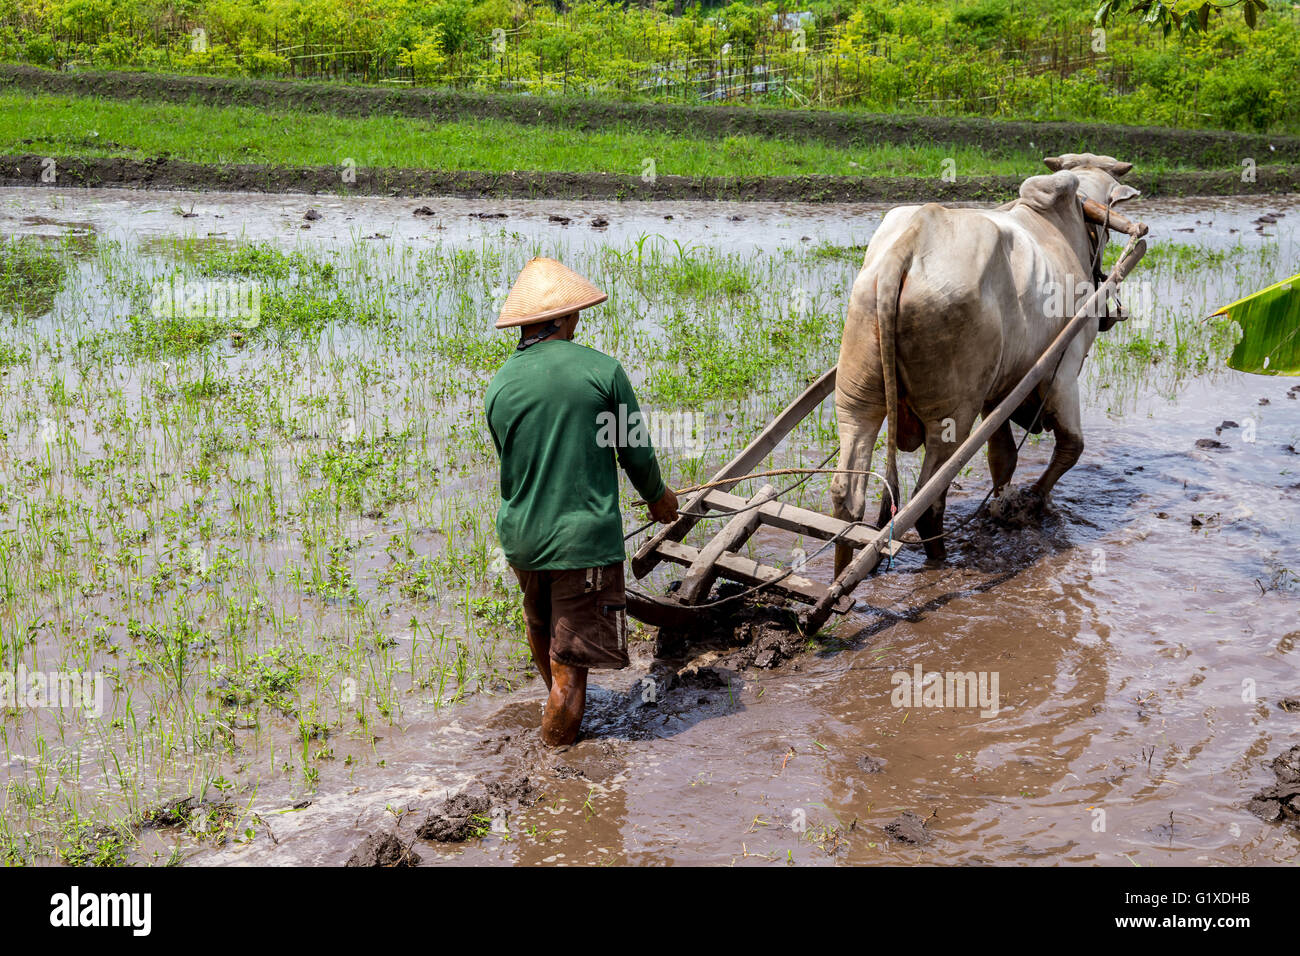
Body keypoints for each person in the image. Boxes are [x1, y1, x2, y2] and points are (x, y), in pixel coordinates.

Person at [485, 257, 679, 746]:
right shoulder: (602, 372)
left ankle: (558, 722)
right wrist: (659, 500)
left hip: (522, 543)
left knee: (550, 648)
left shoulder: (500, 385)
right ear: (567, 318)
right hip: (581, 546)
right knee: (572, 677)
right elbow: (634, 451)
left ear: (527, 324)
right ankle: (556, 776)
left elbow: (516, 465)